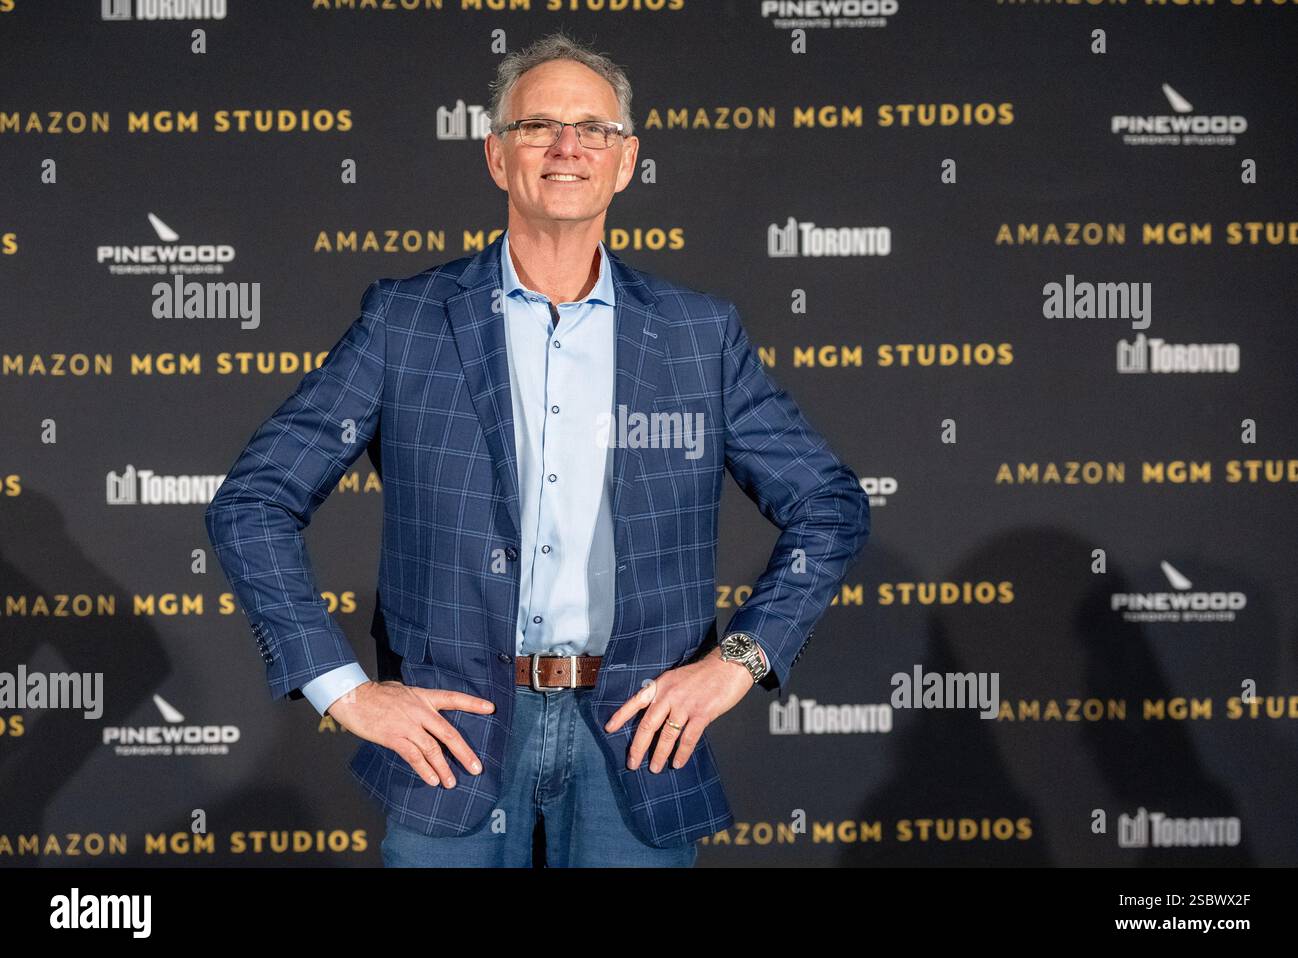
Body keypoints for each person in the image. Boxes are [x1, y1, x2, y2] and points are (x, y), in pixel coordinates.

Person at [204, 30, 871, 868]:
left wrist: (740, 660)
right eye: (537, 126)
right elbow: (254, 501)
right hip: (456, 743)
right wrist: (343, 691)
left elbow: (828, 504)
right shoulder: (405, 322)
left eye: (592, 129)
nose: (566, 147)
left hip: (637, 744)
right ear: (496, 155)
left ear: (625, 161)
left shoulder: (699, 334)